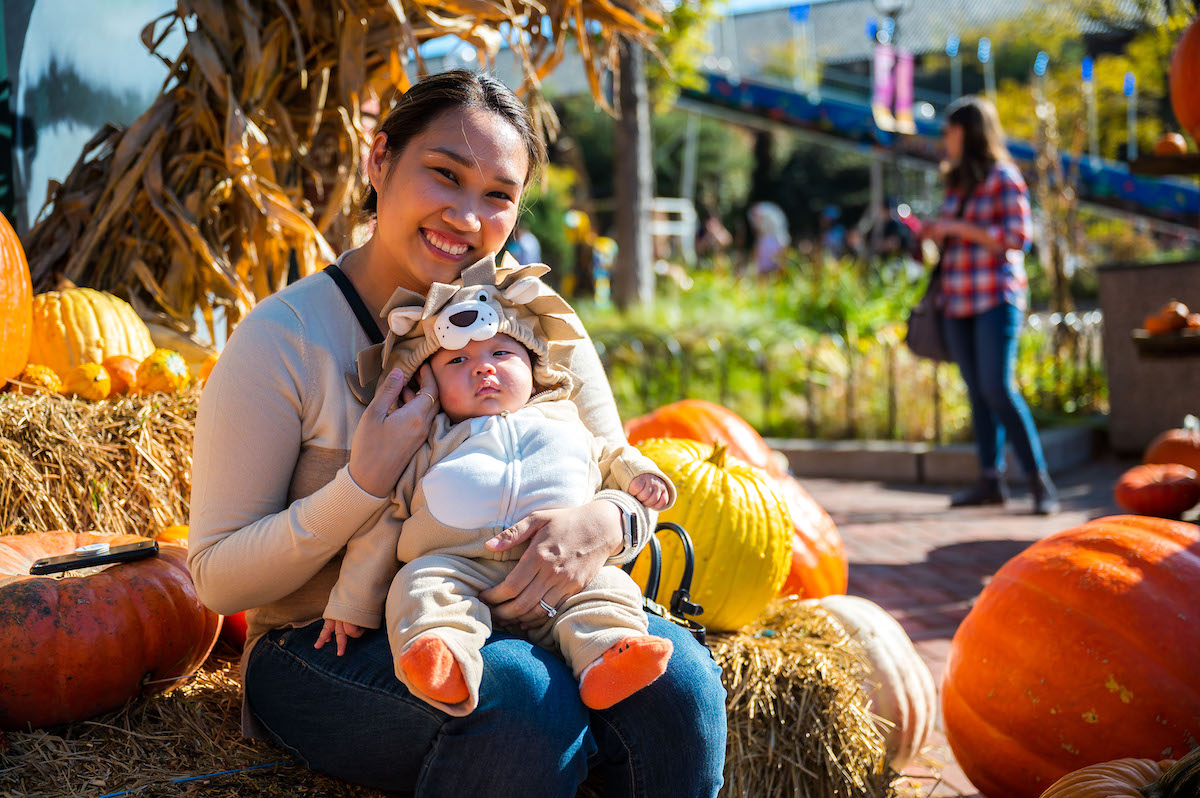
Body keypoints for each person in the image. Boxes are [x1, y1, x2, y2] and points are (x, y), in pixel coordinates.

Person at [188, 69, 727, 797]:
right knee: (521, 695)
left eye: (498, 195)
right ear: (380, 160)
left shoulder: (537, 320)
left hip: (528, 615)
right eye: (444, 174)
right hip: (324, 643)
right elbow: (217, 579)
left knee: (683, 683)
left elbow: (618, 473)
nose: (468, 217)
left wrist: (606, 523)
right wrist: (363, 485)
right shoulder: (287, 339)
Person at [315, 258, 678, 717]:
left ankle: (607, 656)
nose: (483, 369)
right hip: (460, 569)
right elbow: (386, 520)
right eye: (458, 360)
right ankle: (442, 656)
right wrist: (352, 601)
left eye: (501, 354)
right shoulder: (429, 443)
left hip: (565, 578)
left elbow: (614, 457)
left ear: (533, 363)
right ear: (428, 382)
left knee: (608, 588)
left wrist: (642, 477)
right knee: (418, 584)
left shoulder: (566, 420)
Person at [920, 96, 1059, 514]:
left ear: (968, 132)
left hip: (995, 297)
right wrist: (933, 234)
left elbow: (1018, 238)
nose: (945, 138)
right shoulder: (955, 181)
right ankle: (989, 480)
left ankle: (1039, 481)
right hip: (956, 299)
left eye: (950, 130)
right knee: (977, 392)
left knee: (998, 388)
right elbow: (955, 238)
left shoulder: (1004, 177)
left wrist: (959, 227)